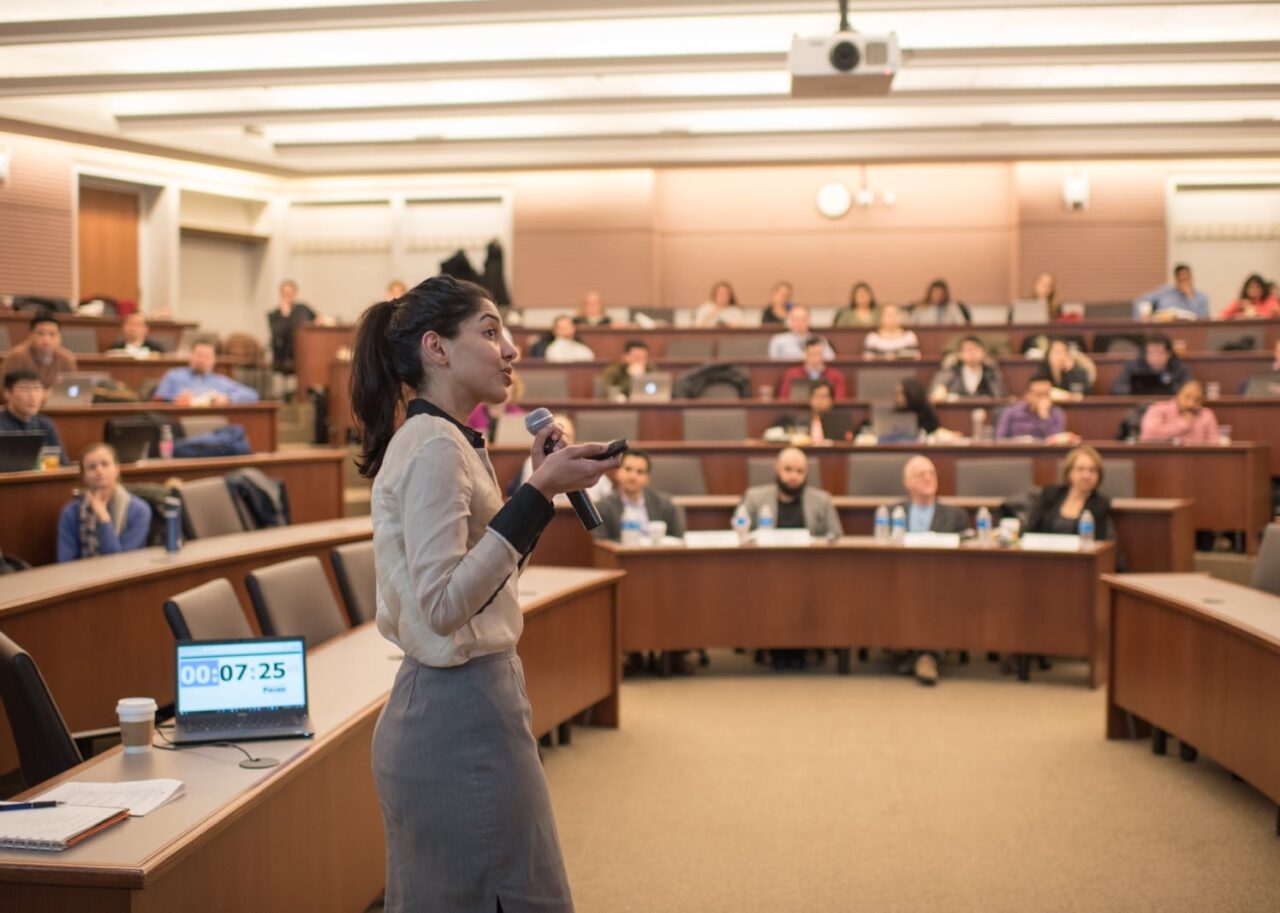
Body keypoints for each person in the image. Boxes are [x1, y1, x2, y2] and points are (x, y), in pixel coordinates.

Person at [349, 274, 619, 913]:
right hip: (454, 717)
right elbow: (445, 607)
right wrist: (534, 494)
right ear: (436, 349)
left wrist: (536, 489)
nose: (512, 349)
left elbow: (485, 582)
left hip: (474, 703)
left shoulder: (449, 441)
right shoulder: (434, 447)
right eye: (491, 331)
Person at [739, 447, 842, 669]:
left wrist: (823, 541)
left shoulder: (821, 500)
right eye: (788, 470)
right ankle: (776, 646)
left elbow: (836, 534)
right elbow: (740, 530)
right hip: (765, 574)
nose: (794, 476)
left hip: (809, 574)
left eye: (800, 471)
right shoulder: (755, 497)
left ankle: (801, 646)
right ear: (776, 469)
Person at [891, 455, 969, 685]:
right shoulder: (892, 512)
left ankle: (924, 655)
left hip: (943, 583)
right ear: (907, 482)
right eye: (920, 474)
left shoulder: (957, 516)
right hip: (901, 581)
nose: (928, 478)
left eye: (932, 473)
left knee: (934, 593)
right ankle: (919, 654)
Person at [56, 442, 152, 561]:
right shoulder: (70, 512)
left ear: (117, 468)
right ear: (83, 475)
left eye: (105, 464)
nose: (99, 471)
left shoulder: (139, 510)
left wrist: (104, 518)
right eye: (91, 467)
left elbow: (119, 561)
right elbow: (65, 562)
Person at [513, 415, 613, 504]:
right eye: (555, 438)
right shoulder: (532, 462)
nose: (560, 442)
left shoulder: (585, 463)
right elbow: (528, 499)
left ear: (573, 440)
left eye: (565, 437)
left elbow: (607, 497)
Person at [592, 450, 685, 542]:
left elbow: (678, 538)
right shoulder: (603, 507)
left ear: (647, 479)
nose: (633, 476)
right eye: (628, 469)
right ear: (618, 473)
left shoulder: (664, 504)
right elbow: (601, 543)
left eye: (640, 472)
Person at [1026, 445, 1115, 540]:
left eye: (1092, 470)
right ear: (1069, 473)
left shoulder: (1100, 504)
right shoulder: (1050, 494)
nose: (1087, 475)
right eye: (1081, 469)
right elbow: (1030, 531)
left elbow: (1100, 542)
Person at [153, 339, 259, 405]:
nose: (201, 360)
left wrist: (228, 399)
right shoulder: (174, 375)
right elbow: (158, 400)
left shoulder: (220, 381)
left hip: (212, 422)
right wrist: (176, 400)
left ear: (214, 360)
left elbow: (252, 395)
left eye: (207, 356)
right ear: (191, 356)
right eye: (199, 355)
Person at [0, 369, 68, 465]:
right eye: (24, 389)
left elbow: (63, 463)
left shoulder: (45, 424)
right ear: (7, 393)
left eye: (37, 388)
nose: (32, 396)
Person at [995, 370, 1078, 443]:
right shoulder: (1011, 412)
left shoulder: (1057, 414)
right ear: (1028, 395)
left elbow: (1057, 443)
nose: (1043, 399)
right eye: (1039, 394)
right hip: (1015, 457)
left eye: (1046, 394)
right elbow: (1000, 439)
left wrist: (1045, 417)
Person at [4, 311, 78, 389]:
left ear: (60, 338)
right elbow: (5, 391)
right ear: (31, 336)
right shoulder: (16, 356)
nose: (46, 340)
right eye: (40, 333)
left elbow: (73, 389)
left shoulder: (67, 358)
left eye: (52, 334)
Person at [769, 380, 855, 443]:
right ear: (810, 399)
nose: (820, 400)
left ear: (831, 400)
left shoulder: (842, 422)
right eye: (816, 396)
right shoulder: (798, 419)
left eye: (824, 396)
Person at [1139, 378, 1219, 444]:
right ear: (1178, 394)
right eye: (1187, 397)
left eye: (1197, 400)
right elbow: (1148, 435)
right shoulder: (1158, 409)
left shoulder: (1207, 415)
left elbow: (1214, 445)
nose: (1190, 404)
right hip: (1163, 459)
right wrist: (1182, 424)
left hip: (1197, 461)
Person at [928, 336, 1005, 401]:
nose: (972, 353)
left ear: (983, 352)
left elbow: (1000, 398)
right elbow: (933, 395)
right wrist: (939, 391)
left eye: (975, 349)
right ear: (960, 354)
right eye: (968, 350)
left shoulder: (991, 374)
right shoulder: (950, 373)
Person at [1108, 334, 1190, 395]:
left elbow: (1190, 388)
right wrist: (1140, 389)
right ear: (1145, 354)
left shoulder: (1179, 367)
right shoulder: (1133, 366)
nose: (1155, 357)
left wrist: (1170, 389)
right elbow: (1115, 387)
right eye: (1151, 353)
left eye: (1159, 353)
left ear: (1169, 354)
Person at [266, 279, 316, 375]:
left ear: (295, 293)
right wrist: (285, 314)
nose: (287, 296)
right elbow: (276, 333)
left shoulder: (302, 309)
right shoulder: (274, 315)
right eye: (285, 293)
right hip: (285, 356)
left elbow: (316, 319)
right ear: (280, 294)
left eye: (290, 293)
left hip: (305, 353)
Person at [778, 336, 847, 400]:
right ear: (805, 355)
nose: (815, 358)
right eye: (812, 354)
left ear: (823, 355)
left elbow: (839, 400)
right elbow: (784, 399)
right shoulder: (792, 374)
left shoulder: (836, 376)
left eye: (818, 354)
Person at [1133, 263, 1209, 320]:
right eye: (1181, 280)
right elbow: (1140, 300)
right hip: (1164, 331)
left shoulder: (1201, 297)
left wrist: (1190, 297)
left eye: (1186, 279)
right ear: (1175, 279)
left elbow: (1203, 319)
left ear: (1191, 278)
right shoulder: (1165, 291)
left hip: (1192, 331)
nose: (1184, 283)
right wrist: (1144, 316)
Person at [466, 368, 525, 439]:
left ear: (514, 389)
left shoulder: (517, 414)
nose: (504, 389)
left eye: (507, 384)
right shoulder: (473, 413)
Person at [767, 305, 835, 361]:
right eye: (796, 319)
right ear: (790, 321)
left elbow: (830, 358)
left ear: (809, 321)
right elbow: (773, 362)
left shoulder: (819, 339)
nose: (800, 322)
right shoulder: (778, 340)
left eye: (803, 319)